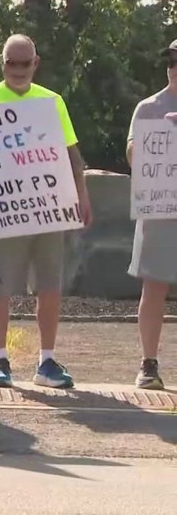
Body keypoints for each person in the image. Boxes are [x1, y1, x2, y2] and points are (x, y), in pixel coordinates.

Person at [0, 34, 92, 389]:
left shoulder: (52, 102)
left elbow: (72, 156)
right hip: (3, 210)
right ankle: (0, 361)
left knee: (50, 287)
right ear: (2, 63)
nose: (18, 70)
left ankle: (46, 363)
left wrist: (83, 197)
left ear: (36, 63)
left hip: (49, 209)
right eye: (11, 63)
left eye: (24, 63)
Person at [123, 39, 177, 390]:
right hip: (159, 206)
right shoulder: (148, 107)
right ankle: (148, 364)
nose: (174, 65)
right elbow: (132, 154)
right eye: (171, 59)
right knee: (154, 286)